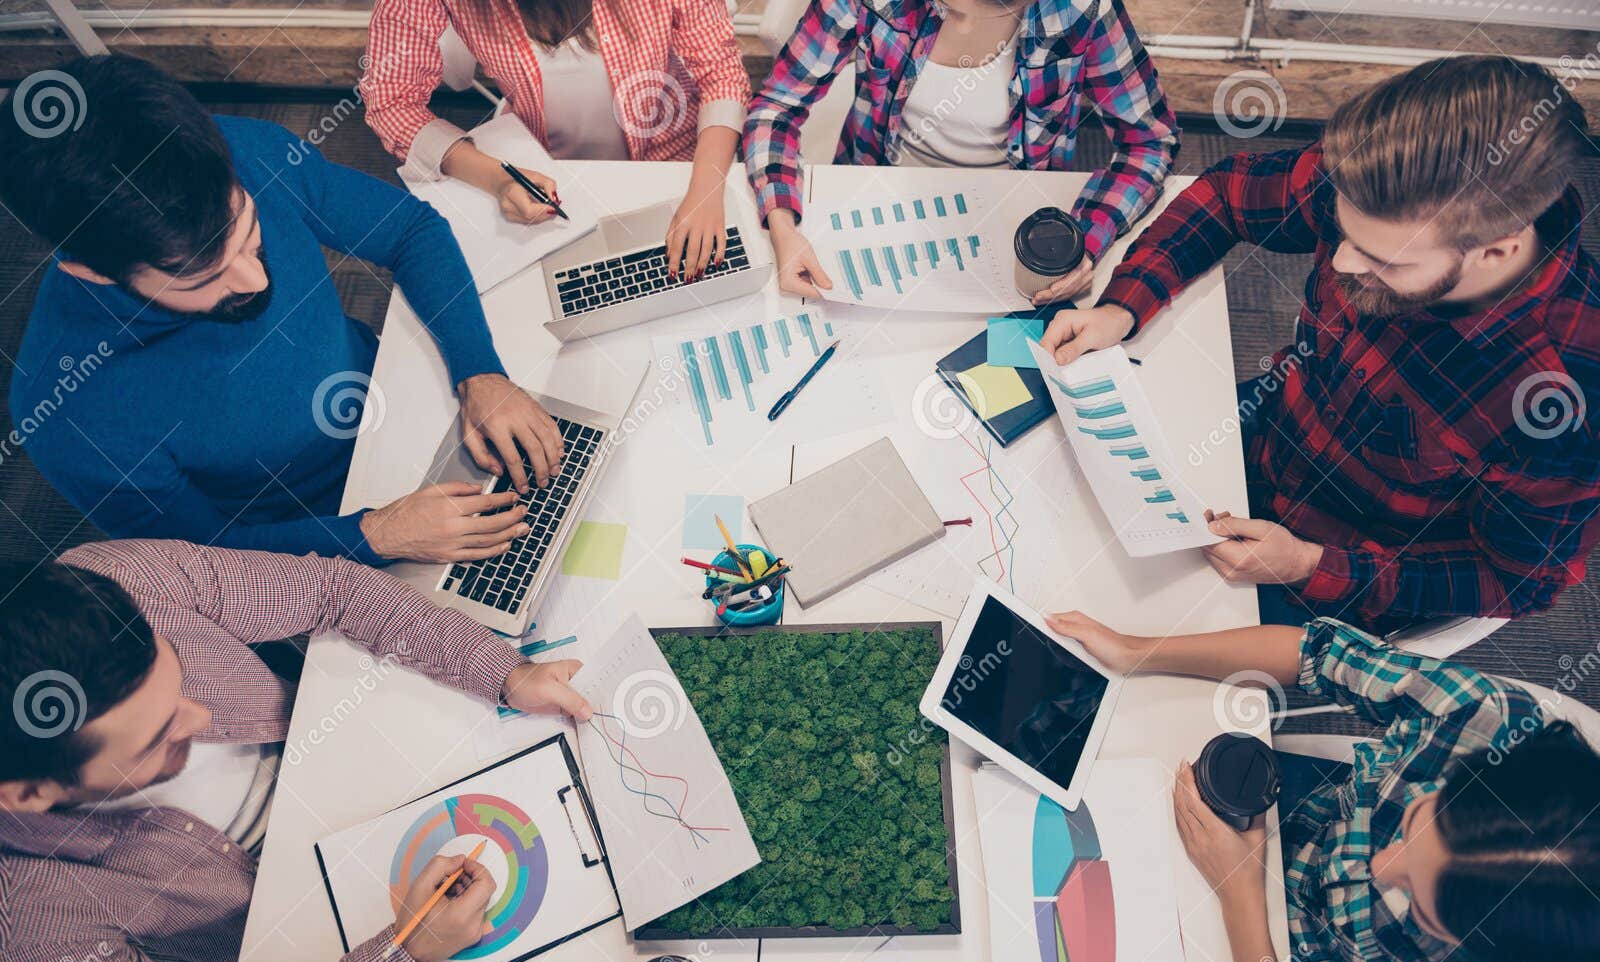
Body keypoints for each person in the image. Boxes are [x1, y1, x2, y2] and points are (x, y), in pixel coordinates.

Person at [1041, 55, 1600, 633]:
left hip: (1341, 569)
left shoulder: (1564, 404)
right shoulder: (1379, 185)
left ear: (1497, 250)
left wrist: (1311, 565)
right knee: (1053, 501)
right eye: (1343, 228)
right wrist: (1123, 305)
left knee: (1125, 652)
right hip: (1267, 431)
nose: (1340, 261)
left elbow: (1518, 581)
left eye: (1383, 260)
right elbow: (1227, 193)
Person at [0, 539, 594, 962]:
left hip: (355, 745)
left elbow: (331, 590)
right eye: (159, 737)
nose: (202, 716)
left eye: (178, 674)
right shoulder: (28, 935)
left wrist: (502, 671)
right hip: (306, 936)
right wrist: (406, 953)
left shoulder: (117, 578)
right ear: (28, 794)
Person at [1, 54, 562, 568]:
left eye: (248, 231)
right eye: (204, 274)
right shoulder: (66, 410)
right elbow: (195, 561)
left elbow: (409, 231)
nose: (256, 278)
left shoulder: (244, 152)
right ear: (94, 273)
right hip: (304, 543)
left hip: (406, 394)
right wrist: (375, 536)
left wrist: (477, 371)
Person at [1048, 608, 1600, 962]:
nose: (1380, 866)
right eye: (1415, 821)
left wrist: (1242, 901)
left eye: (1422, 908)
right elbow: (1313, 655)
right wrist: (1134, 649)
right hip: (1287, 812)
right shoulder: (1484, 720)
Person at [745, 0, 1179, 303]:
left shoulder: (1083, 11)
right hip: (875, 189)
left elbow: (1150, 142)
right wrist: (782, 226)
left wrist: (1085, 240)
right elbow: (778, 106)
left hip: (1017, 211)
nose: (962, 28)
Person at [363, 0, 749, 280]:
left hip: (669, 156)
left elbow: (722, 74)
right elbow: (389, 100)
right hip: (543, 170)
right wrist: (497, 177)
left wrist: (706, 192)